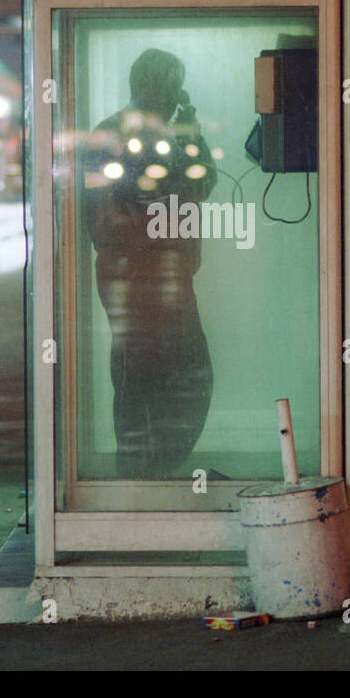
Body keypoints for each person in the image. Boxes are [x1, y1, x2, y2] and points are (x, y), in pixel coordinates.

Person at [80, 49, 219, 478]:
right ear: (147, 86)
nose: (177, 92)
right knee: (140, 373)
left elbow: (206, 181)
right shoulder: (112, 135)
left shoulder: (175, 131)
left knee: (188, 372)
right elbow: (104, 215)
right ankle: (137, 472)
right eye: (172, 84)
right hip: (134, 275)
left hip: (172, 272)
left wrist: (190, 130)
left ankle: (158, 467)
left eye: (179, 84)